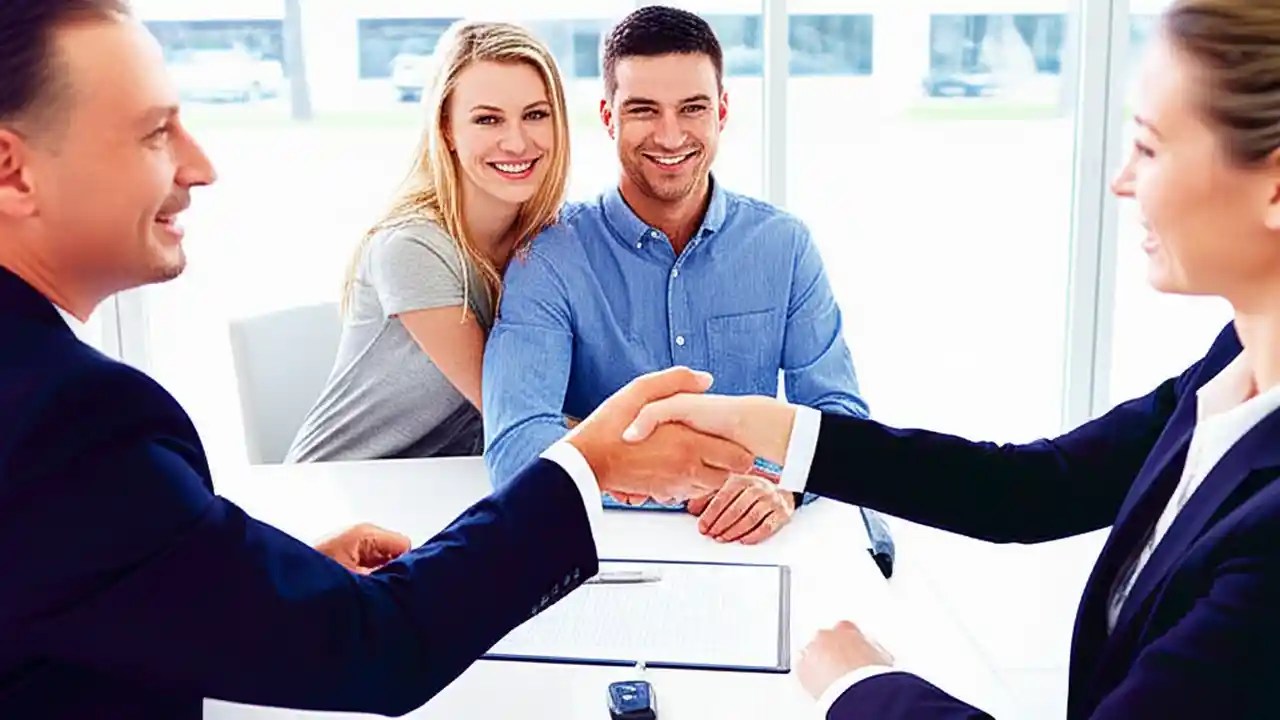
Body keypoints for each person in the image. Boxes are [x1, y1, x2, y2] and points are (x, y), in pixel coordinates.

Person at [0, 4, 753, 717]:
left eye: (533, 116)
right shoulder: (75, 424)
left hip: (425, 503)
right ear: (13, 169)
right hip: (358, 481)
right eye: (155, 133)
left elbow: (98, 575)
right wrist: (600, 459)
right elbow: (381, 644)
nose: (202, 168)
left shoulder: (547, 243)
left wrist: (272, 574)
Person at [623, 3, 1280, 716]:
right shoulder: (1231, 370)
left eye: (1149, 148)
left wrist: (862, 686)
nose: (1122, 181)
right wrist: (772, 429)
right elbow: (1033, 487)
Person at [481, 5, 893, 566]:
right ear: (608, 117)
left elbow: (837, 412)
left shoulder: (784, 247)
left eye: (692, 108)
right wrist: (679, 481)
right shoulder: (547, 259)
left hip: (757, 552)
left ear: (721, 111)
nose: (670, 135)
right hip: (604, 556)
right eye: (644, 110)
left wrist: (784, 488)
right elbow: (516, 444)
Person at [285, 20, 570, 462]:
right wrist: (667, 452)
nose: (516, 141)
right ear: (447, 129)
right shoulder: (412, 246)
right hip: (341, 492)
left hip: (452, 487)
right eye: (487, 119)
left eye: (535, 115)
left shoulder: (548, 241)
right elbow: (515, 412)